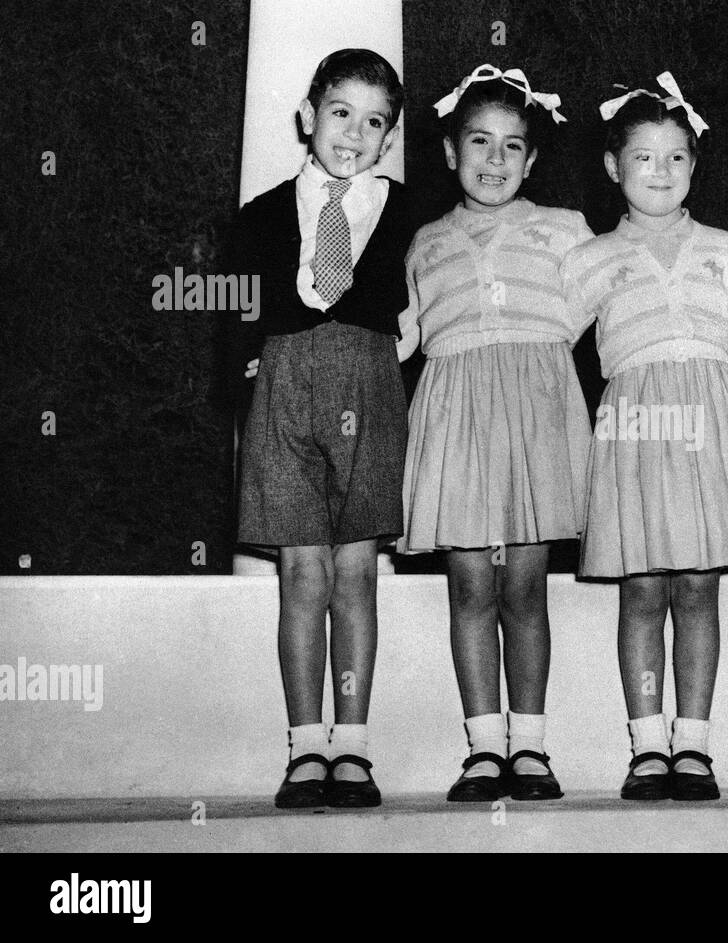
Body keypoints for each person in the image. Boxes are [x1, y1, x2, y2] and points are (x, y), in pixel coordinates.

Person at [397, 65, 591, 802]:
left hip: (536, 416)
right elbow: (397, 336)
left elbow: (624, 291)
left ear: (533, 159)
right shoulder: (425, 242)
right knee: (471, 585)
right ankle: (484, 747)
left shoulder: (565, 230)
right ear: (450, 151)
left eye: (513, 146)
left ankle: (532, 746)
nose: (495, 159)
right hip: (458, 419)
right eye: (479, 141)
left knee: (526, 586)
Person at [561, 74, 728, 801]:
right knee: (642, 588)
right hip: (634, 427)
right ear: (614, 166)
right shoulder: (590, 257)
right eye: (644, 158)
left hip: (709, 424)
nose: (661, 173)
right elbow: (545, 343)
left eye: (677, 158)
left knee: (698, 585)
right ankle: (648, 746)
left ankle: (695, 745)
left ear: (695, 165)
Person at [231, 49, 415, 809]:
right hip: (284, 389)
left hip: (371, 386)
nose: (354, 132)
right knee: (302, 572)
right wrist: (239, 376)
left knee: (355, 573)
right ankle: (307, 748)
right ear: (309, 116)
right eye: (341, 112)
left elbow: (434, 291)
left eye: (375, 122)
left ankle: (355, 748)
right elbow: (234, 310)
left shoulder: (407, 211)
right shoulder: (260, 215)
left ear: (389, 138)